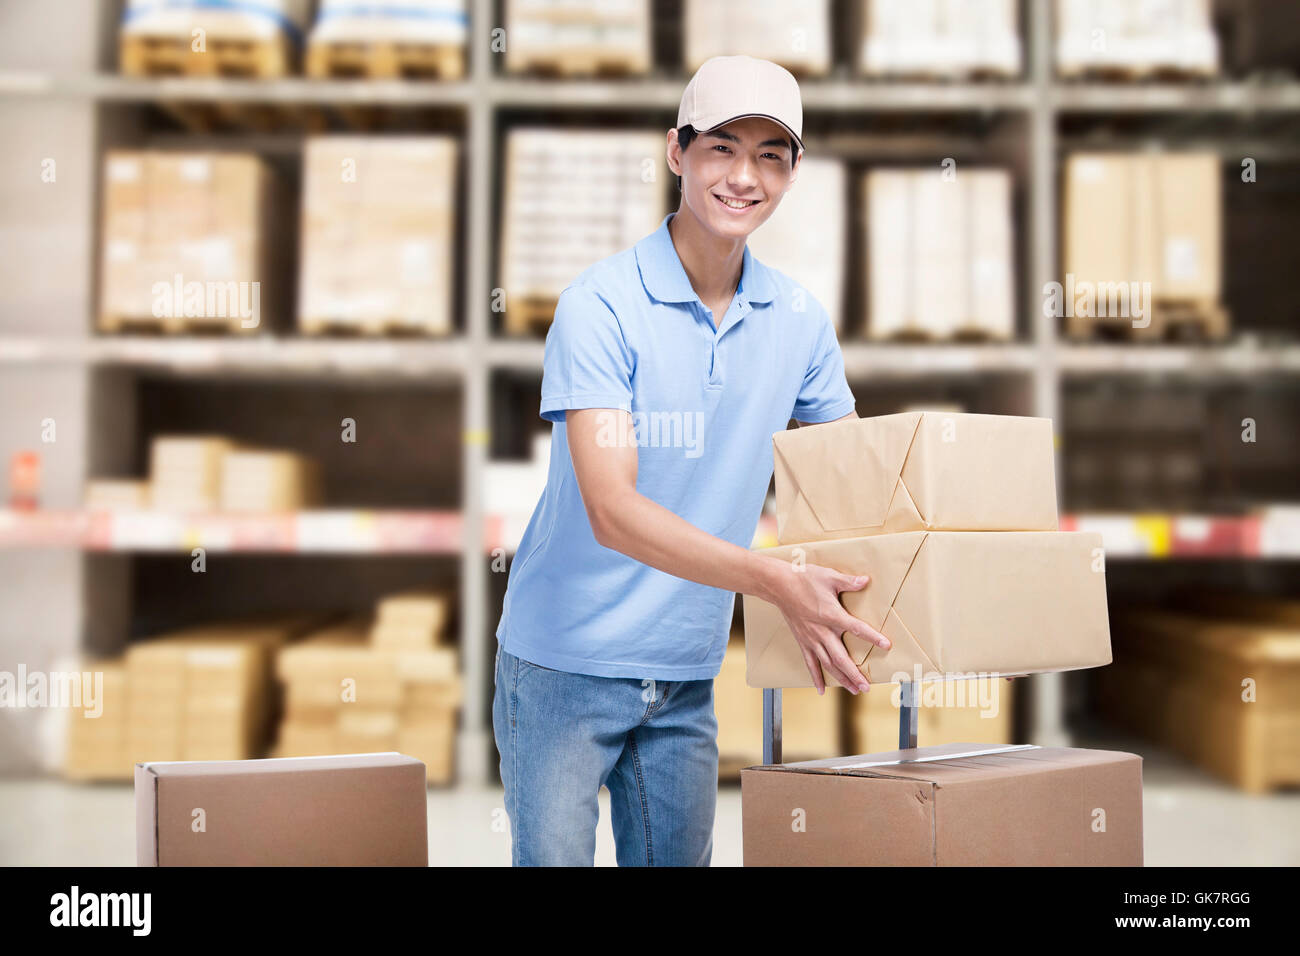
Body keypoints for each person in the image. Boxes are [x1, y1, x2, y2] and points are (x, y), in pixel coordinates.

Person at [492, 55, 891, 867]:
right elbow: (612, 509)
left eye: (770, 156)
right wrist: (775, 579)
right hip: (566, 664)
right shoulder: (600, 306)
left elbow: (856, 478)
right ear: (677, 152)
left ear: (793, 172)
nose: (744, 177)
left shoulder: (799, 320)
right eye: (721, 148)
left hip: (683, 673)